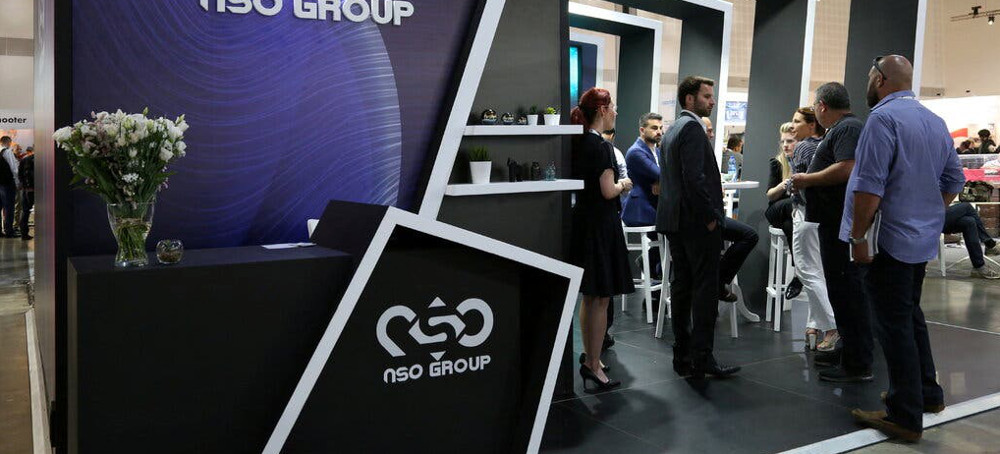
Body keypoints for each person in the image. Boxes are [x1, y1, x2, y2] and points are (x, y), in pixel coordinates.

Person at [846, 54, 963, 442]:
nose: (868, 82)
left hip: (888, 241)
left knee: (893, 326)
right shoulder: (935, 121)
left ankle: (904, 414)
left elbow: (869, 186)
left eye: (869, 76)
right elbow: (954, 179)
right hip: (919, 239)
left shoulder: (882, 119)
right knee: (910, 317)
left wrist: (859, 238)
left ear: (880, 79)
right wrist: (926, 211)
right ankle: (926, 393)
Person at [790, 82, 874, 382]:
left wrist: (807, 180)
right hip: (833, 222)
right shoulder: (843, 129)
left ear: (822, 106)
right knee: (841, 290)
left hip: (839, 222)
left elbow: (847, 168)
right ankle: (850, 352)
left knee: (846, 292)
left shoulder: (847, 128)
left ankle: (857, 362)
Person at [657, 76, 740, 378]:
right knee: (704, 290)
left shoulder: (672, 129)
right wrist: (710, 216)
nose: (712, 101)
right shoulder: (691, 128)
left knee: (683, 287)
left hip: (675, 220)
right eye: (707, 96)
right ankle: (702, 357)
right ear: (690, 99)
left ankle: (683, 354)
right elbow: (694, 178)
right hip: (695, 222)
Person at [570, 87, 634, 392]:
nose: (616, 113)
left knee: (590, 295)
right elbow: (608, 191)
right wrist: (623, 184)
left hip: (584, 223)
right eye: (613, 107)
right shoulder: (602, 147)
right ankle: (594, 364)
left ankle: (591, 359)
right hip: (602, 226)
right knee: (601, 297)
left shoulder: (578, 142)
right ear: (602, 110)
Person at [788, 107, 839, 352]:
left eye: (797, 121)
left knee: (806, 270)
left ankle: (832, 325)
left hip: (806, 214)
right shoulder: (825, 145)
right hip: (823, 216)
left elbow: (801, 185)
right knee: (817, 271)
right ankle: (814, 324)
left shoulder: (804, 147)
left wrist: (790, 187)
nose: (792, 126)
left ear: (811, 125)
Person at [622, 112, 664, 285]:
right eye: (654, 128)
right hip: (641, 209)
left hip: (654, 206)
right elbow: (662, 173)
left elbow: (663, 174)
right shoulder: (635, 152)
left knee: (676, 233)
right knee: (674, 232)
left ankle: (656, 275)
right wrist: (660, 179)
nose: (659, 131)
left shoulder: (657, 151)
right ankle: (657, 275)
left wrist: (660, 180)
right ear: (642, 130)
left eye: (660, 128)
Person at [944, 202, 1000, 278]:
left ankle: (979, 267)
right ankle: (990, 244)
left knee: (969, 222)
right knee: (967, 206)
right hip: (931, 218)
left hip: (938, 215)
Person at [0, 136, 20, 238]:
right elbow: (14, 168)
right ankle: (9, 231)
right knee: (9, 207)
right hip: (7, 183)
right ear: (8, 142)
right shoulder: (7, 152)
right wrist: (17, 183)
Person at [17, 146, 33, 240]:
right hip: (35, 189)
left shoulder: (24, 160)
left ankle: (24, 233)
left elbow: (19, 174)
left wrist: (23, 185)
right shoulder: (40, 161)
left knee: (25, 211)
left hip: (26, 189)